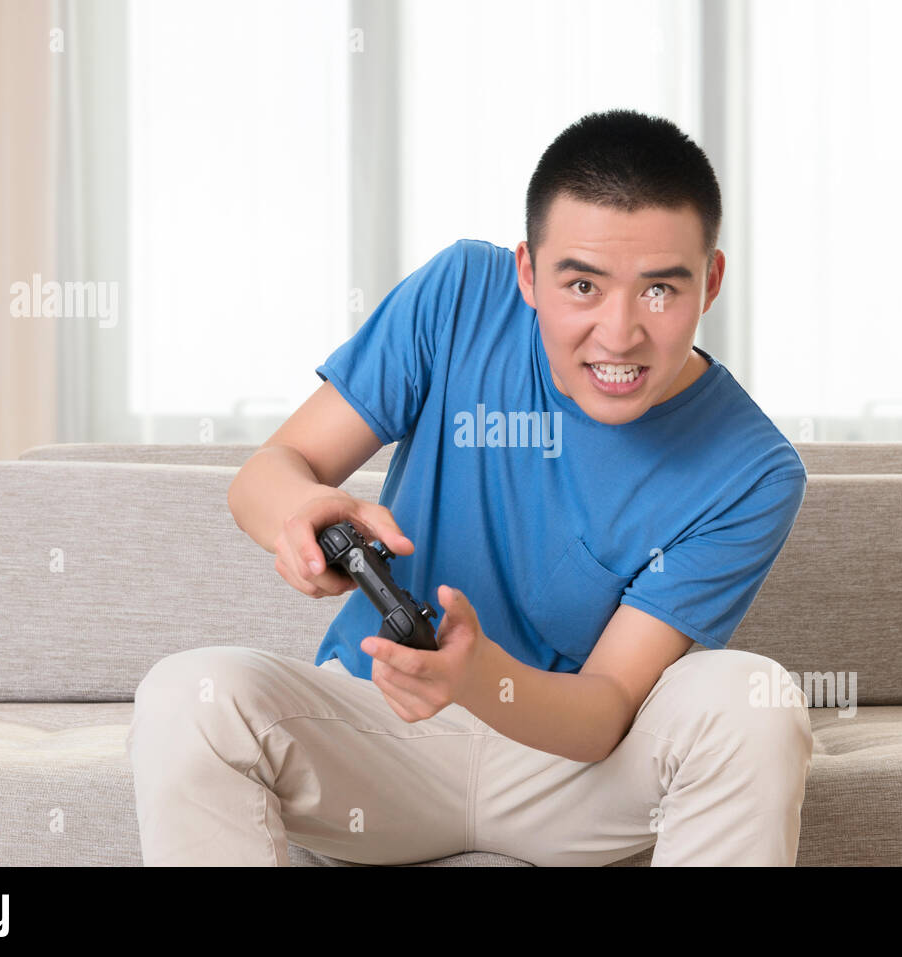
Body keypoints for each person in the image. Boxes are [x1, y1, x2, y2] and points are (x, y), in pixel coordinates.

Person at [127, 108, 813, 867]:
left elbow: (607, 706)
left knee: (756, 699)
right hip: (378, 736)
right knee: (185, 695)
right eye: (582, 284)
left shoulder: (753, 470)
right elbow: (269, 471)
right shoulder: (459, 296)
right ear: (527, 272)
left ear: (710, 281)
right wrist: (300, 511)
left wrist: (480, 676)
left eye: (659, 291)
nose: (619, 333)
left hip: (571, 768)